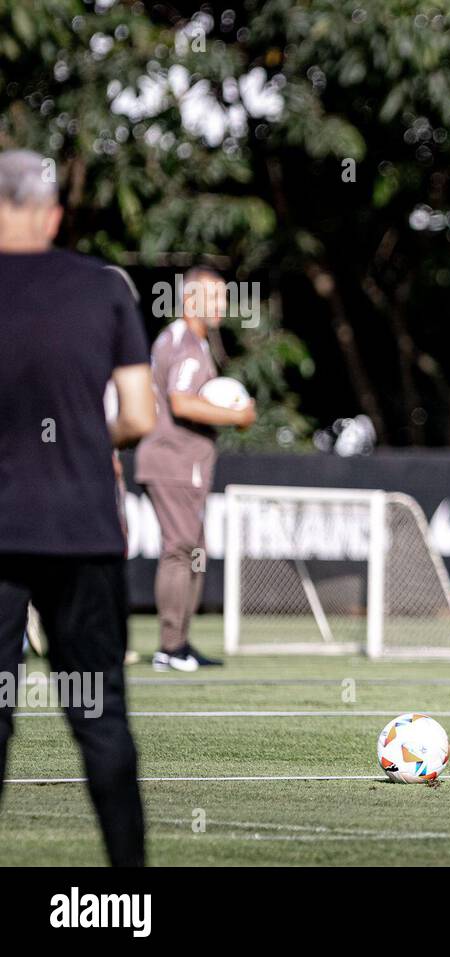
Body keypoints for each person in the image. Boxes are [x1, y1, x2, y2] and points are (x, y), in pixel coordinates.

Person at [0, 148, 156, 865]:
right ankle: (127, 896)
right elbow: (138, 415)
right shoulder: (103, 288)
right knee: (100, 717)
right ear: (54, 212)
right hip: (83, 529)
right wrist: (92, 433)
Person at [135, 267, 255, 672]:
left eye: (224, 298)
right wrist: (236, 415)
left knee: (194, 550)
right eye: (213, 298)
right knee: (180, 549)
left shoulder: (188, 341)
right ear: (190, 302)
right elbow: (182, 401)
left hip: (180, 461)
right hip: (173, 460)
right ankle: (170, 648)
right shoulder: (186, 343)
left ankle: (181, 643)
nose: (222, 306)